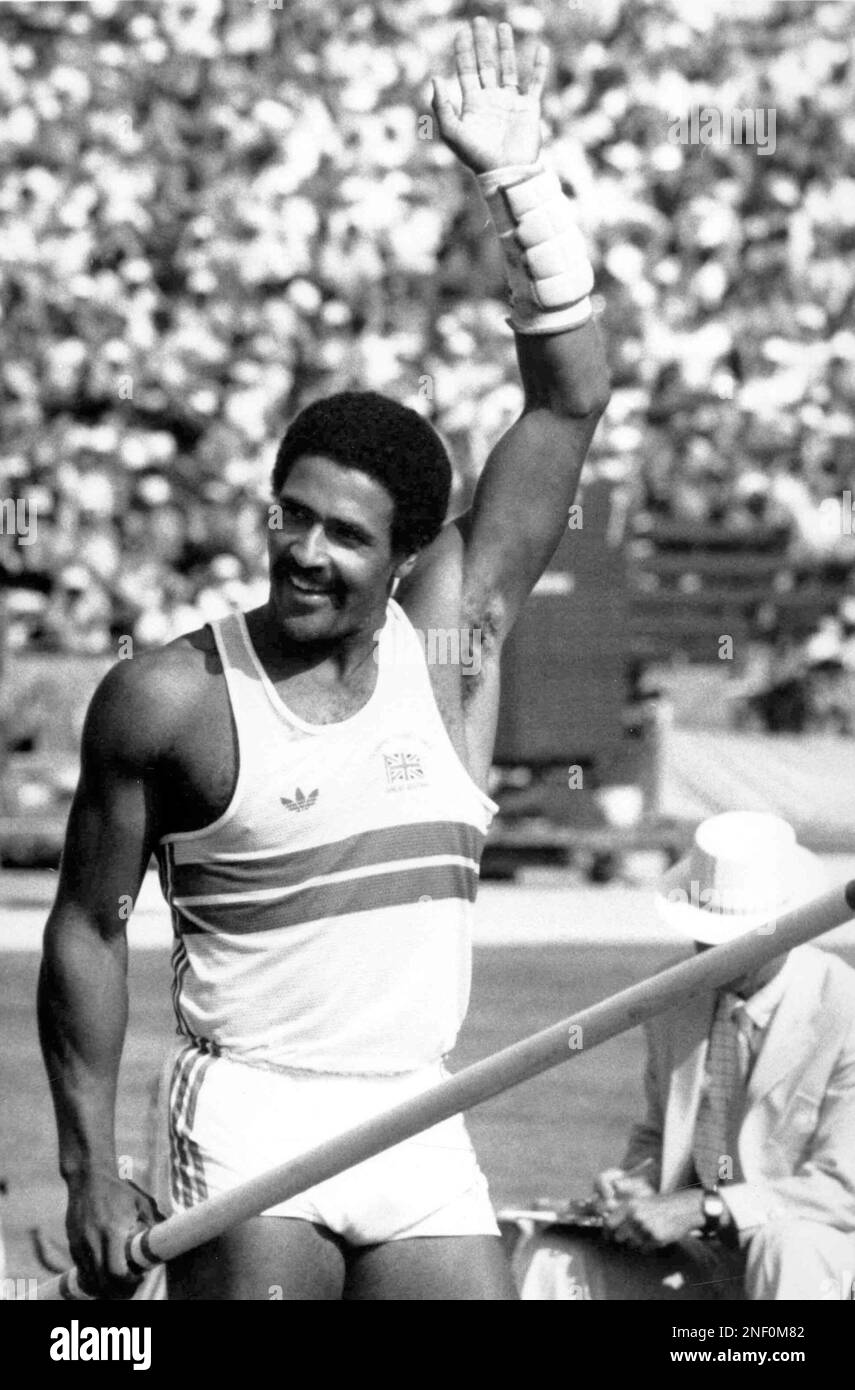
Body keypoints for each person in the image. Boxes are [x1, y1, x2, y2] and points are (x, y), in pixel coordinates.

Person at [37, 18, 610, 1301]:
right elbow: (86, 924)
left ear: (408, 553)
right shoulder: (172, 697)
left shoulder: (451, 644)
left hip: (415, 1114)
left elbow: (568, 399)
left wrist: (520, 186)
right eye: (288, 514)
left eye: (344, 536)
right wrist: (84, 1171)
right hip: (246, 1113)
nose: (302, 551)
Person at [515, 812, 855, 1300]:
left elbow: (843, 1192)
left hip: (814, 1255)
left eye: (737, 939)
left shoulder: (845, 1003)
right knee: (559, 1253)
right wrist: (637, 1184)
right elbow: (660, 1133)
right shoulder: (675, 994)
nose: (714, 955)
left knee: (789, 1247)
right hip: (704, 1251)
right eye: (705, 935)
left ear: (787, 931)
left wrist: (707, 1207)